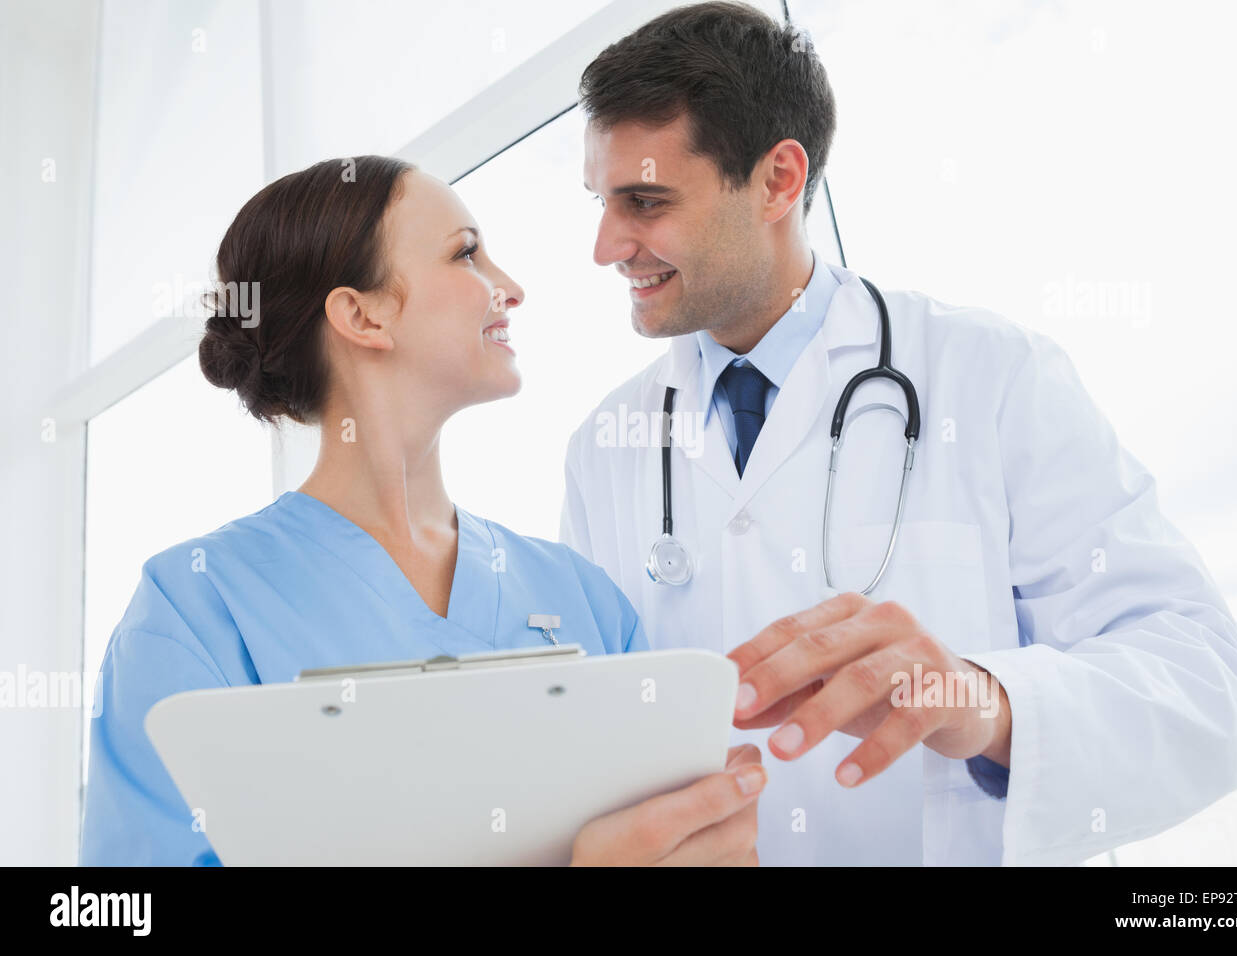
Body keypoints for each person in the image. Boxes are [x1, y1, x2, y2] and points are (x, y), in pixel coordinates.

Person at [561, 1, 1237, 865]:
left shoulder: (991, 376)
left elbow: (1211, 691)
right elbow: (591, 744)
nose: (605, 246)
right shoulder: (607, 448)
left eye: (644, 200)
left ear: (779, 180)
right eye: (601, 202)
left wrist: (988, 702)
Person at [80, 155, 764, 866]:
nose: (511, 288)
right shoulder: (196, 607)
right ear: (361, 313)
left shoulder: (582, 597)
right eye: (466, 253)